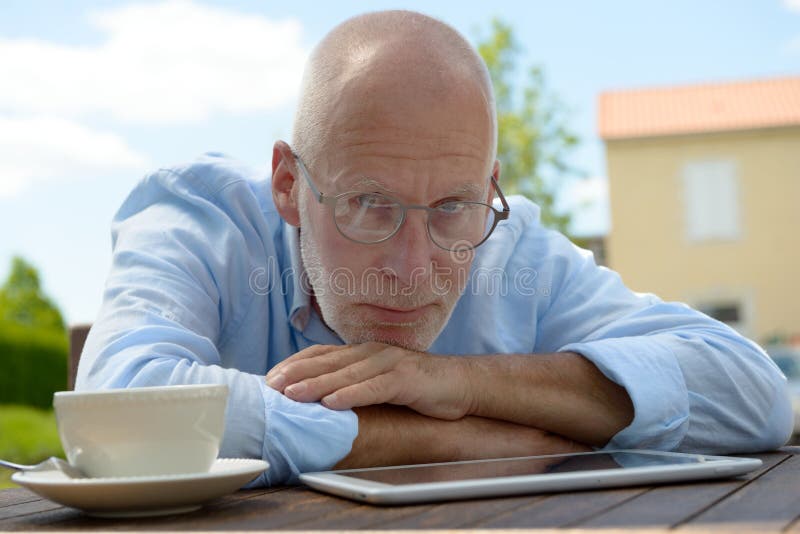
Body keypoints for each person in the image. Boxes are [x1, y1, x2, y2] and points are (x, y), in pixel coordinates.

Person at [76, 10, 792, 487]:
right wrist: (444, 440)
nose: (413, 271)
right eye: (369, 204)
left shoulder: (510, 247)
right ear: (289, 184)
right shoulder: (200, 218)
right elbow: (115, 412)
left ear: (489, 186)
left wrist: (460, 385)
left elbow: (755, 397)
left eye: (452, 207)